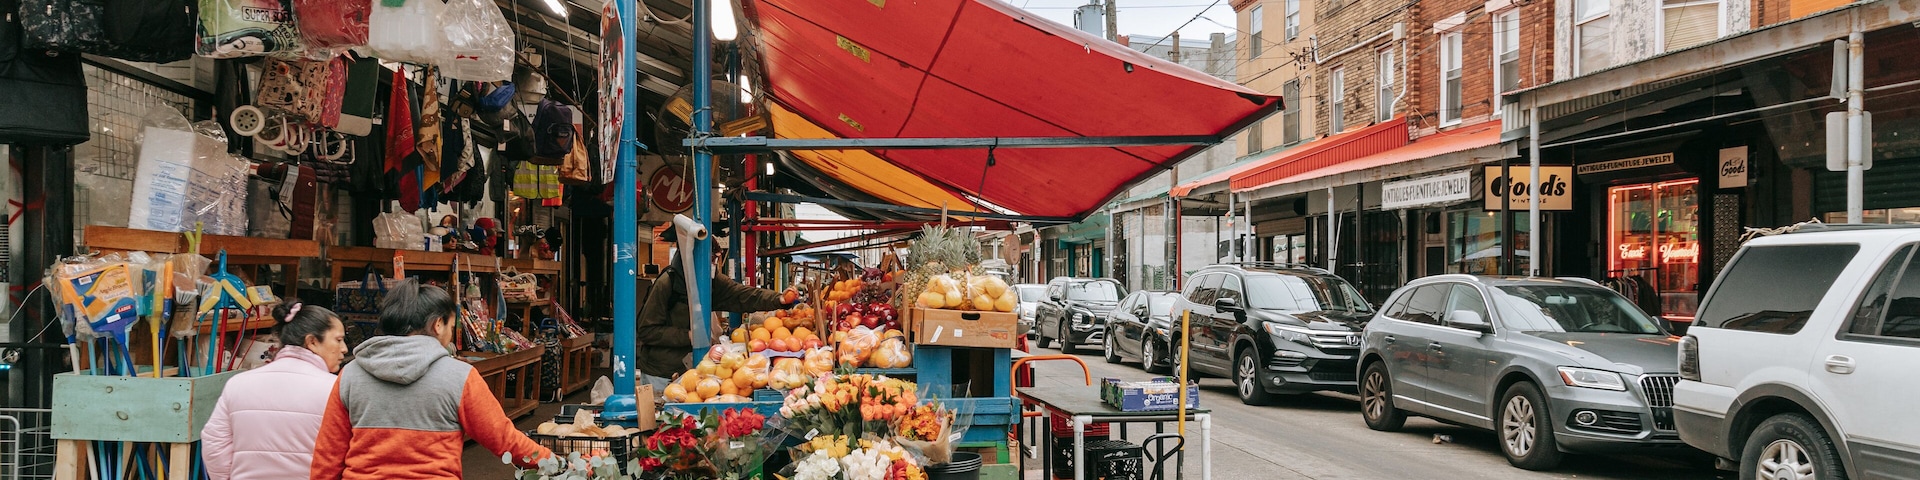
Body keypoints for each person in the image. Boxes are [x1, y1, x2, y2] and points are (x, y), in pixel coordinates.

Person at [310, 280, 550, 479]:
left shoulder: (350, 375)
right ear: (437, 324)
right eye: (450, 327)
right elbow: (506, 441)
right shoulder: (460, 377)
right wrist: (558, 463)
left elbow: (327, 458)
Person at [200, 301, 347, 480]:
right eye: (338, 340)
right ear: (312, 341)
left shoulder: (238, 384)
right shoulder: (337, 389)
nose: (344, 349)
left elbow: (214, 443)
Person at [637, 227, 793, 392]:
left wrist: (779, 299)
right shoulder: (667, 283)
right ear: (692, 259)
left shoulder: (711, 280)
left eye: (716, 258)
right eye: (711, 258)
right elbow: (646, 330)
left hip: (696, 369)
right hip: (662, 373)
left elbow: (742, 295)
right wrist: (688, 336)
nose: (714, 264)